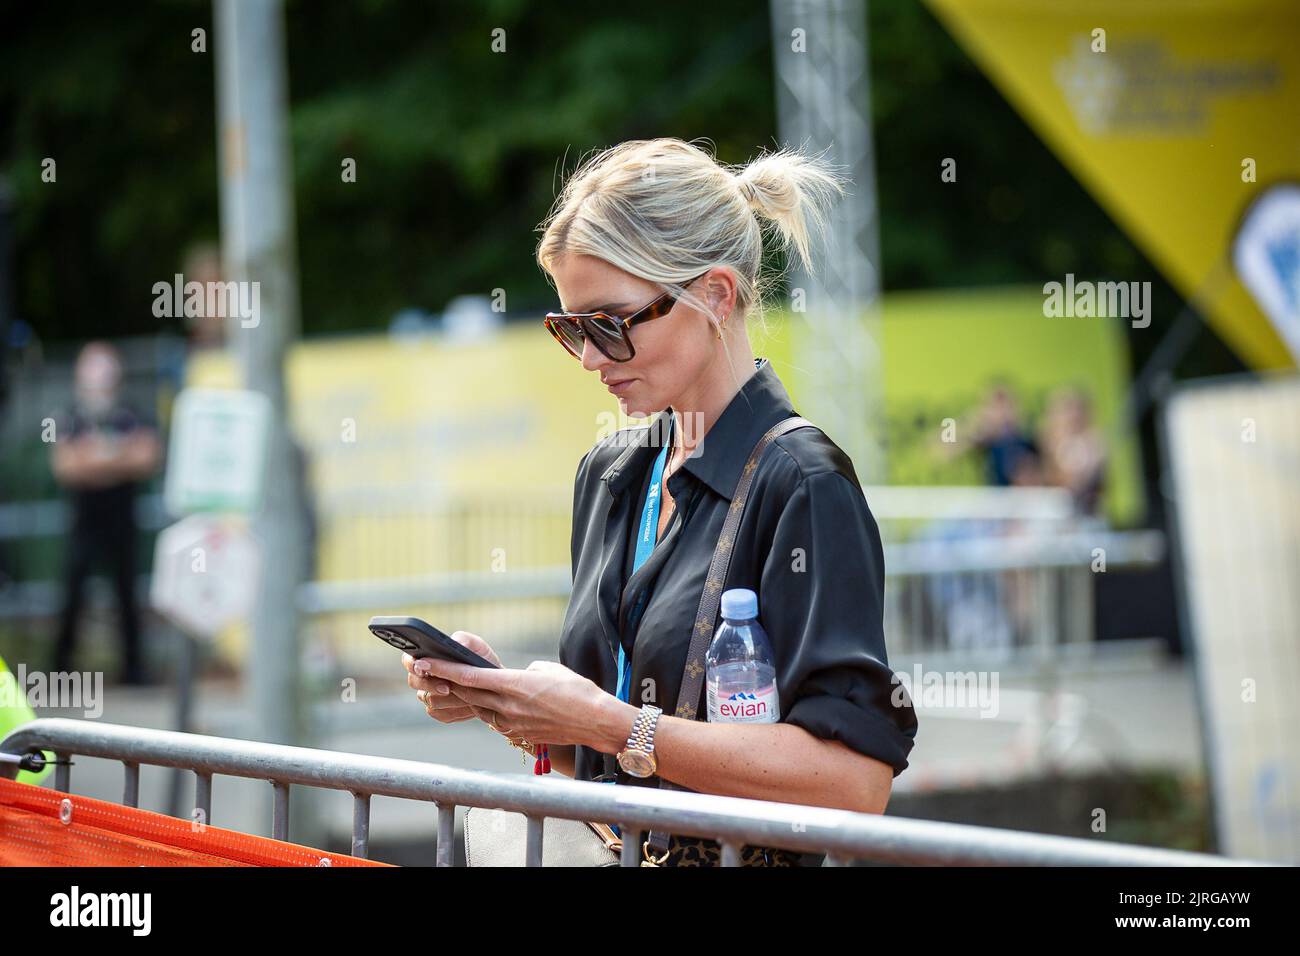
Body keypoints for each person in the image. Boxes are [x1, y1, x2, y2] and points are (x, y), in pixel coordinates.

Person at [403, 138, 918, 866]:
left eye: (609, 324)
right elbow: (608, 763)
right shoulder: (611, 471)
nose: (588, 359)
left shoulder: (803, 482)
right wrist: (515, 706)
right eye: (571, 329)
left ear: (714, 293)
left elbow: (853, 785)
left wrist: (615, 725)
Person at [50, 342, 161, 685]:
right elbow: (66, 466)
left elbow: (147, 457)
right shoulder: (70, 416)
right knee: (73, 590)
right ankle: (60, 669)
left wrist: (94, 459)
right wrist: (117, 458)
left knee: (127, 593)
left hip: (121, 518)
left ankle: (134, 669)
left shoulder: (132, 413)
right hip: (84, 519)